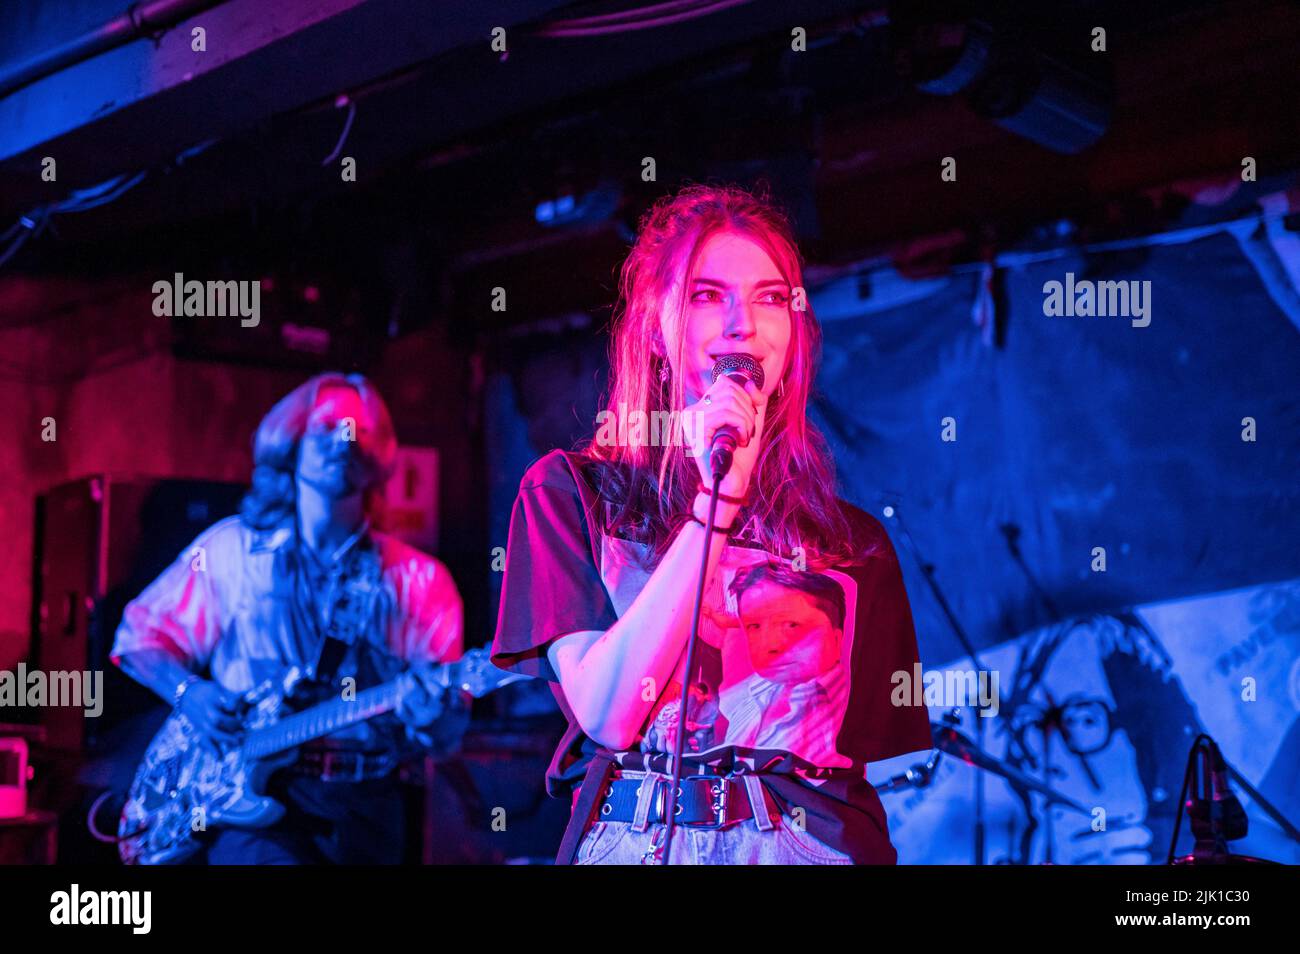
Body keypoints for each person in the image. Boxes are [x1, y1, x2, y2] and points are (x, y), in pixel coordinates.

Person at [491, 183, 933, 865]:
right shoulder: (568, 494)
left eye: (769, 297)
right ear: (654, 327)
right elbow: (608, 713)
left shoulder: (852, 545)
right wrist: (714, 507)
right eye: (706, 295)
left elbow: (857, 771)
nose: (743, 325)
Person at [112, 373, 466, 864]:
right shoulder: (231, 550)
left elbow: (446, 735)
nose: (343, 438)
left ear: (379, 454)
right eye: (326, 426)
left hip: (370, 807)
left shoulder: (419, 580)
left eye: (358, 429)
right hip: (248, 801)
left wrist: (436, 718)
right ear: (291, 441)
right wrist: (187, 692)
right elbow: (138, 638)